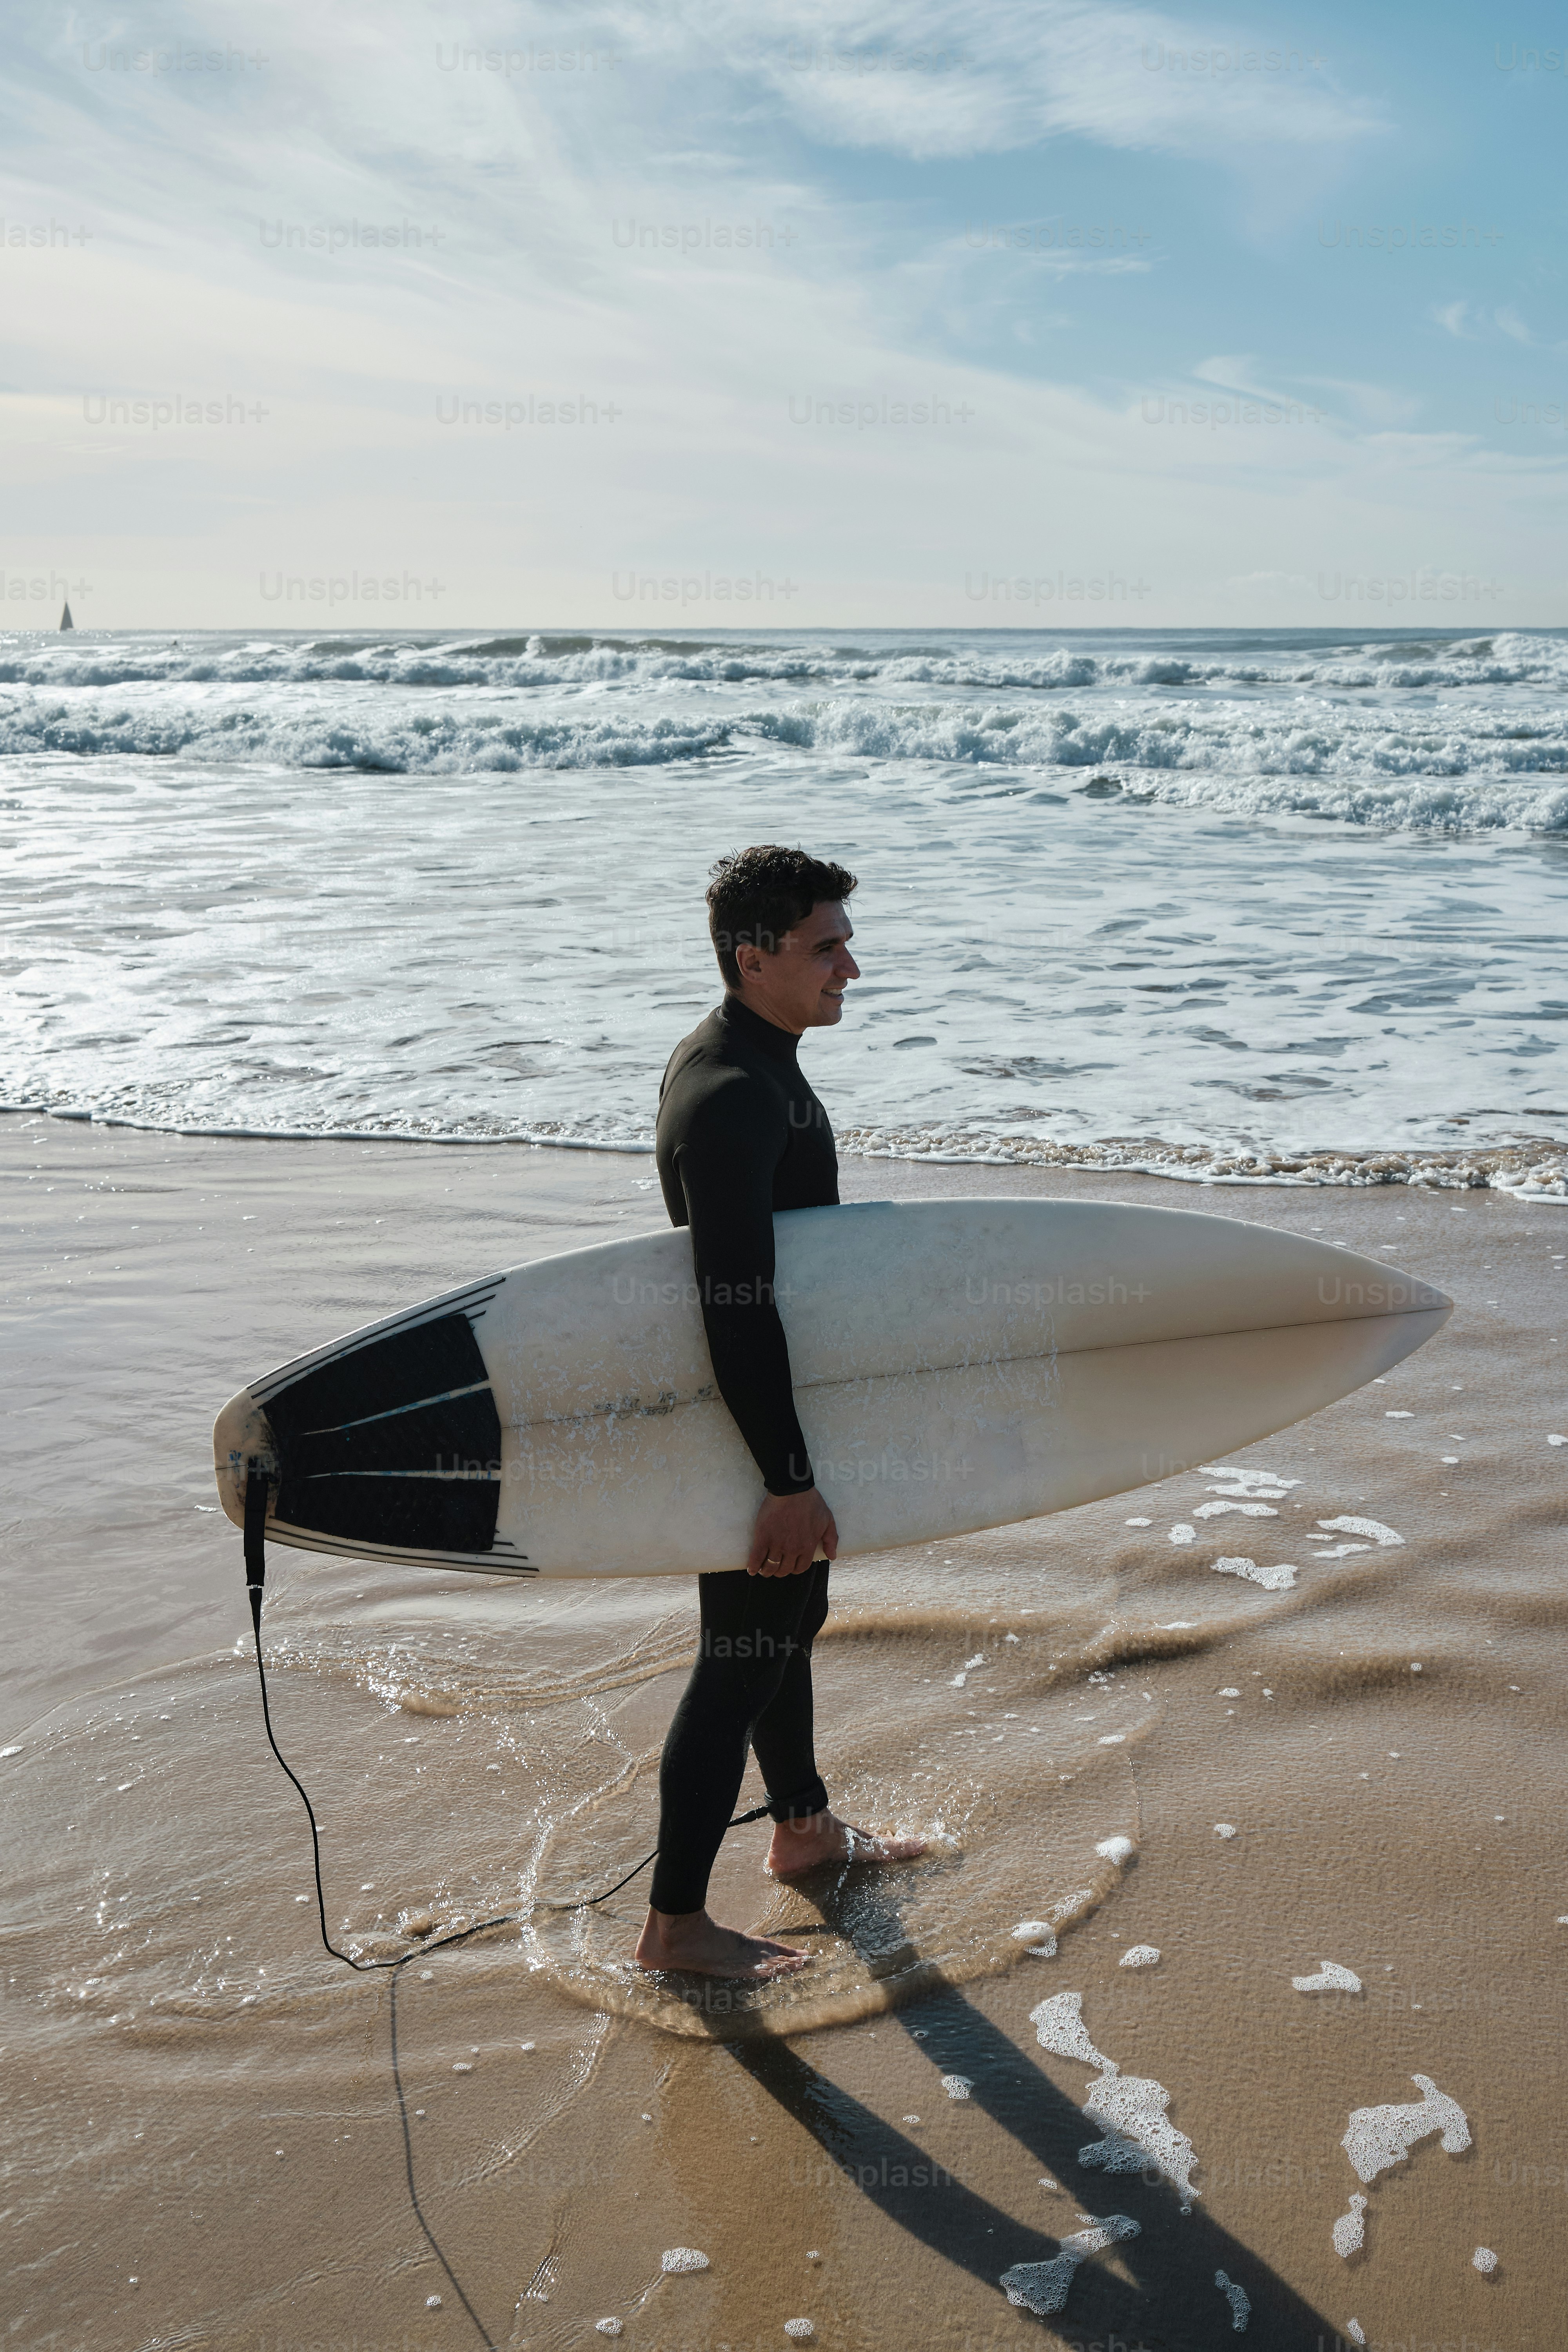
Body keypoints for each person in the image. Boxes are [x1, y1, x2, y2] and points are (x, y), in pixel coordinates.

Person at [634, 846, 926, 1980]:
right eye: (826, 946)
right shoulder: (732, 1098)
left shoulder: (758, 1060)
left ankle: (801, 1830)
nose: (850, 964)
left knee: (781, 1626)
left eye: (845, 939)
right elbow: (733, 1302)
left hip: (768, 1417)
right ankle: (673, 1927)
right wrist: (787, 1477)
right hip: (746, 1423)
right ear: (753, 959)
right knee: (744, 1651)